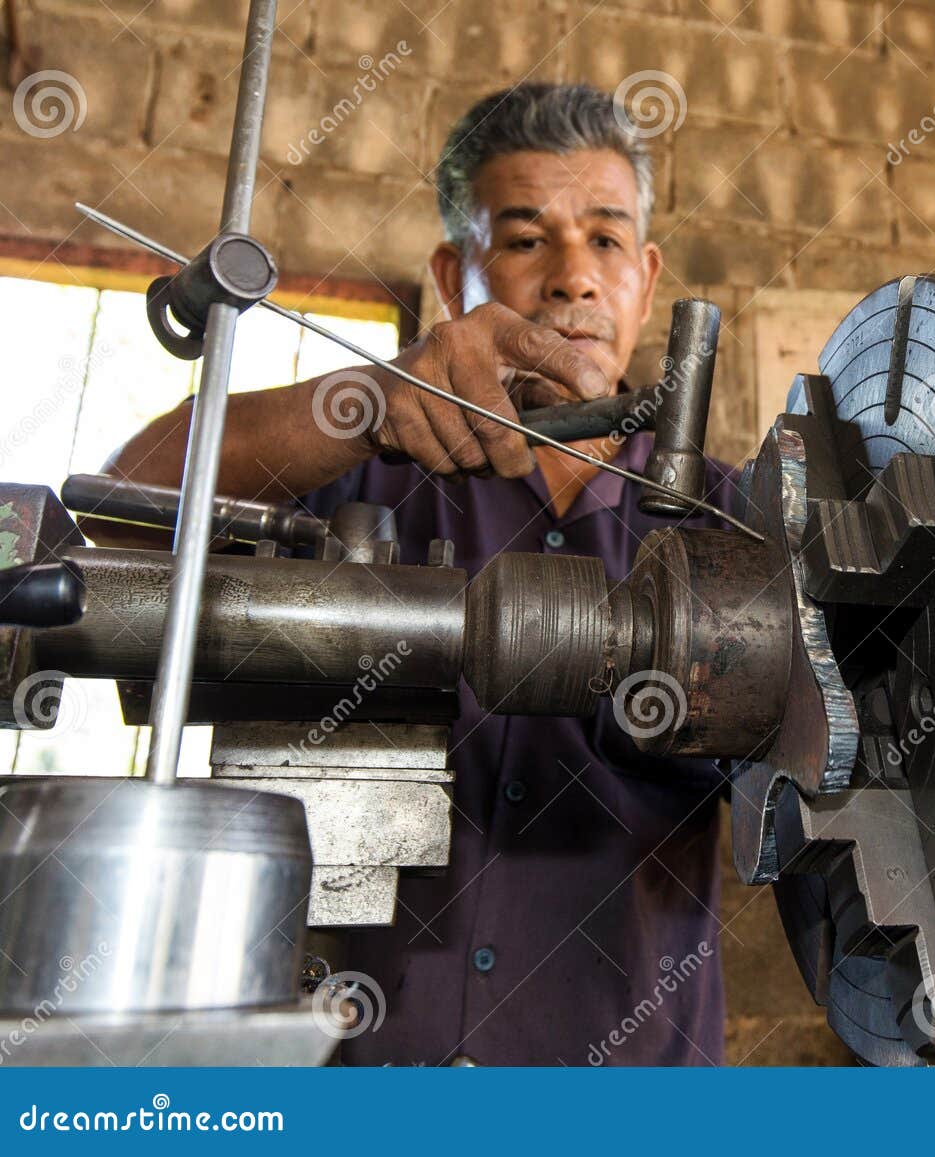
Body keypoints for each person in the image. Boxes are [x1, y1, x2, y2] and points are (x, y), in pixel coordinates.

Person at [97, 82, 736, 1065]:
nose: (572, 278)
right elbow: (112, 521)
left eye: (605, 241)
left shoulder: (734, 527)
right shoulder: (356, 478)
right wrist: (359, 397)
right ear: (453, 273)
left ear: (647, 282)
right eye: (524, 238)